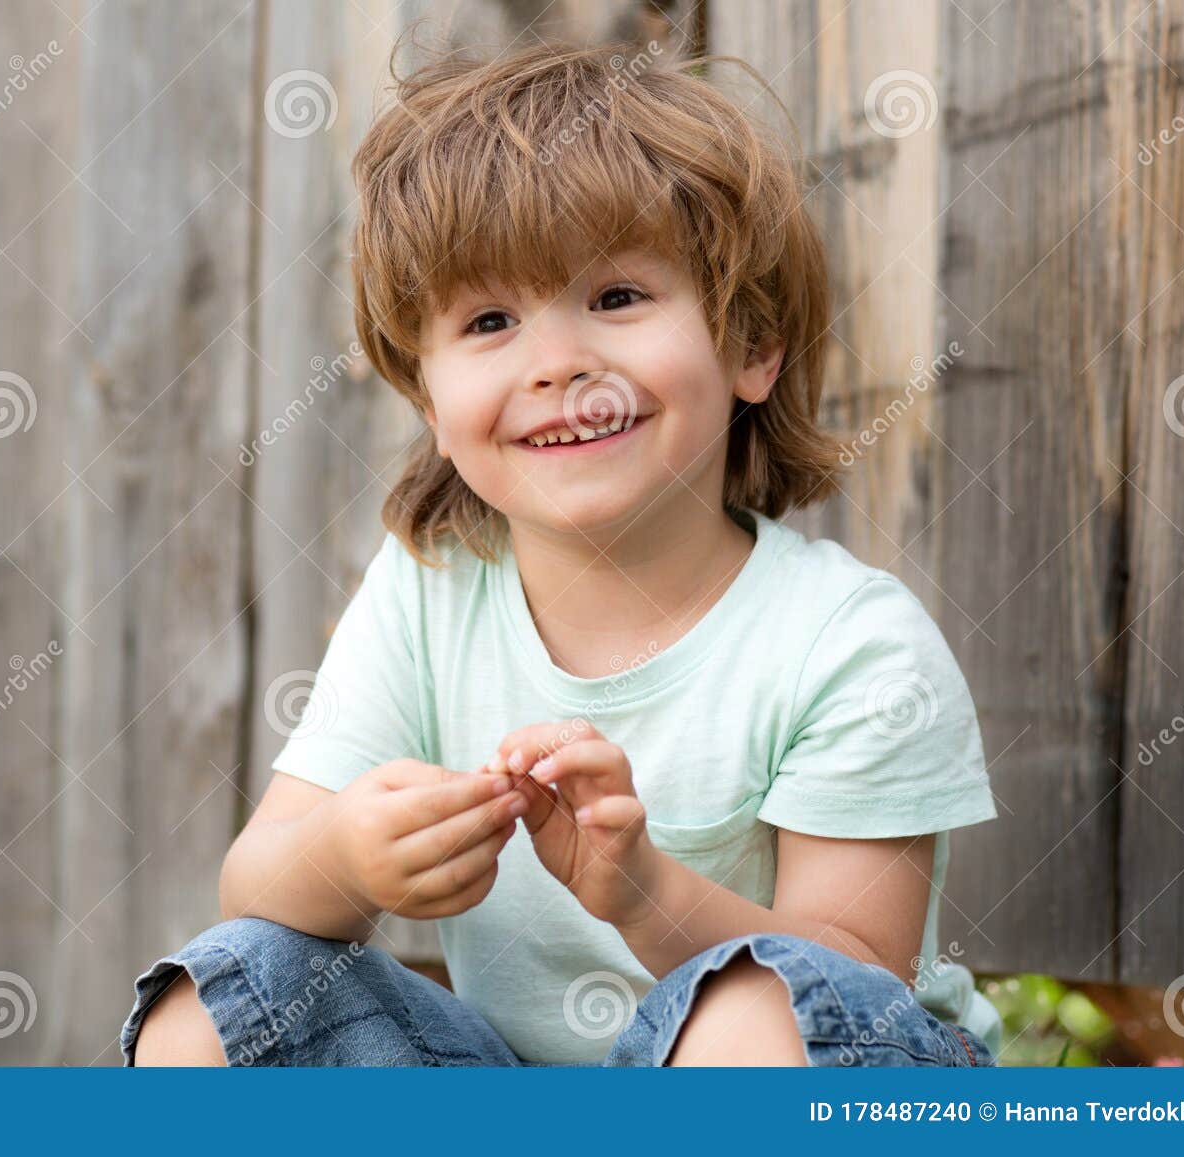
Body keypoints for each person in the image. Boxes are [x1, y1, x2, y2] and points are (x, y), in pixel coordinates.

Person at [121, 35, 999, 1068]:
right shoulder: (429, 594)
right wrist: (347, 858)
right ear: (430, 400)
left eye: (616, 297)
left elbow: (854, 986)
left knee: (750, 1012)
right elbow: (255, 880)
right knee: (218, 1004)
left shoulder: (847, 643)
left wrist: (644, 893)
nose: (556, 363)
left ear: (752, 344)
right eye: (490, 319)